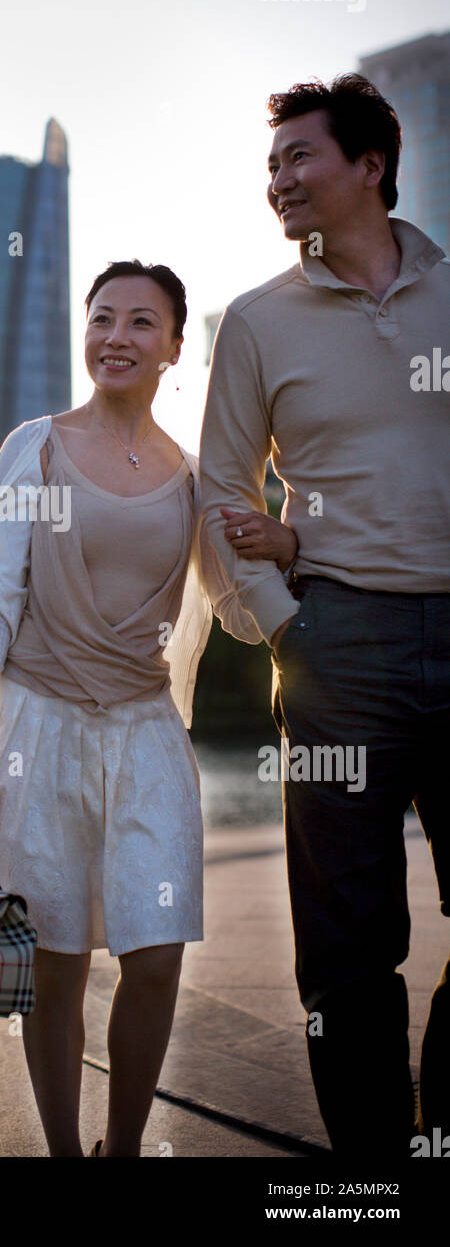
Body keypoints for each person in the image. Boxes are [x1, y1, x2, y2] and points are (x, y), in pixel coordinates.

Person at [0, 260, 295, 1157]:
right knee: (54, 967)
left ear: (175, 347)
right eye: (101, 319)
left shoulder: (195, 479)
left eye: (140, 322)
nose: (116, 337)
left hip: (146, 734)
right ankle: (67, 1153)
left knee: (157, 952)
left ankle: (123, 1150)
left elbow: (241, 616)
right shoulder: (37, 447)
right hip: (38, 731)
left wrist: (282, 540)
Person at [198, 73, 450, 1155]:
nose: (277, 182)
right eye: (269, 165)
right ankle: (370, 1173)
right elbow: (216, 492)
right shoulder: (256, 320)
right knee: (347, 950)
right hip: (336, 648)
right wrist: (278, 620)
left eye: (297, 158)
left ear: (368, 167)